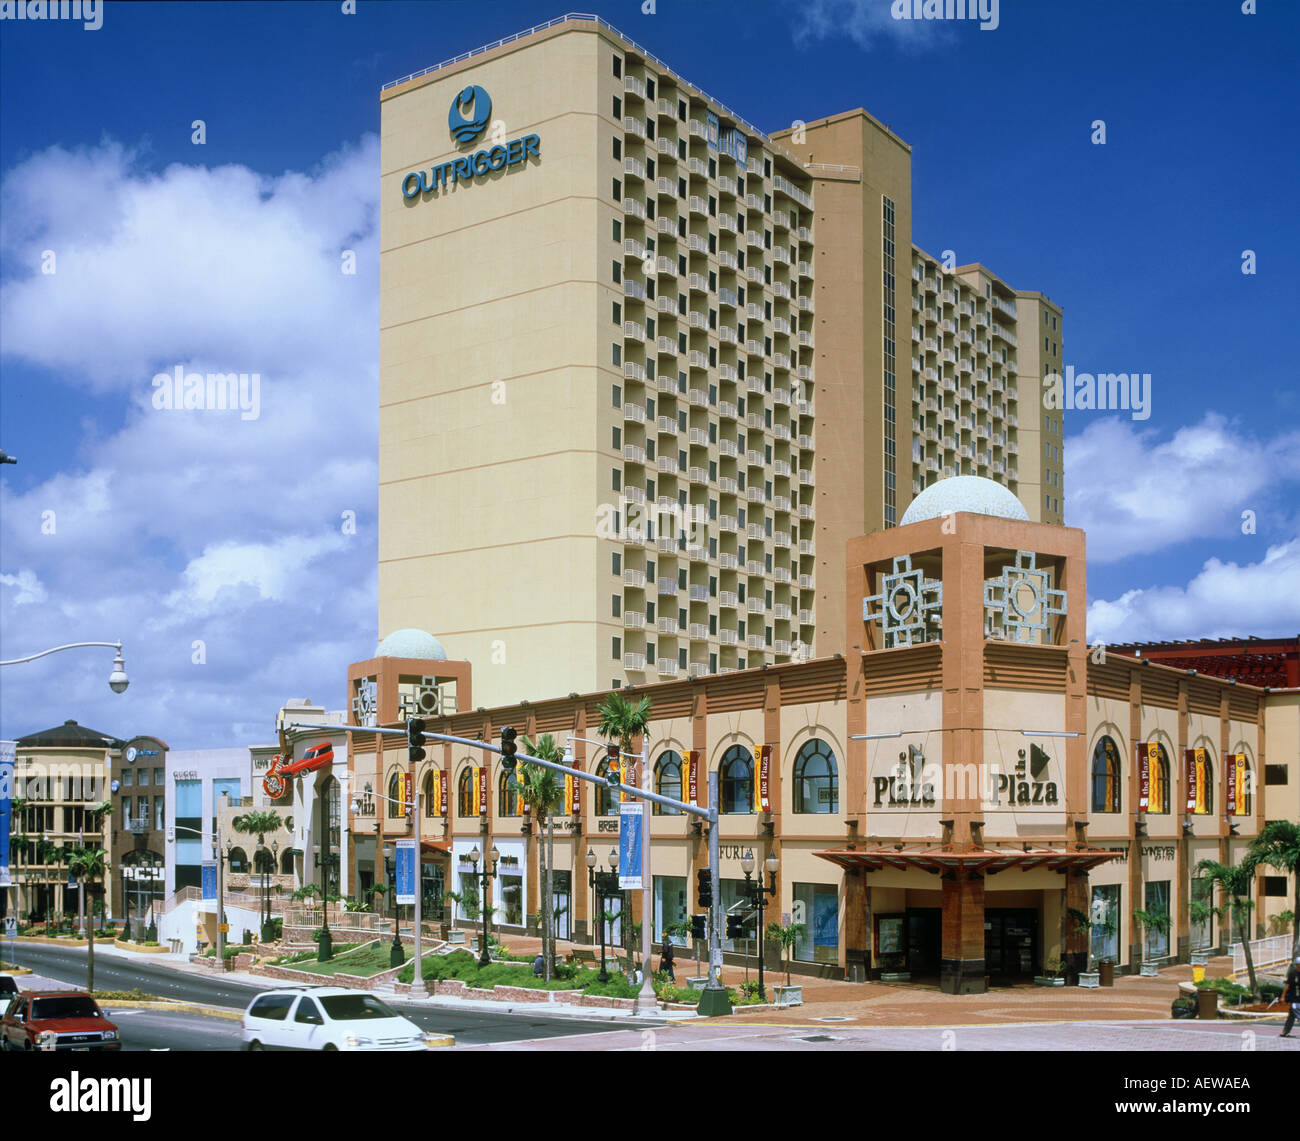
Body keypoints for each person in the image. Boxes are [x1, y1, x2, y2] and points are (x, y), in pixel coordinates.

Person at [1282, 956, 1300, 1038]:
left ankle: (1285, 1031)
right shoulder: (1292, 974)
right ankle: (1285, 1031)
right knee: (1293, 1014)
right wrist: (1283, 996)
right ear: (1296, 965)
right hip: (1294, 998)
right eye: (1298, 965)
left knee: (1292, 1015)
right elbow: (1287, 985)